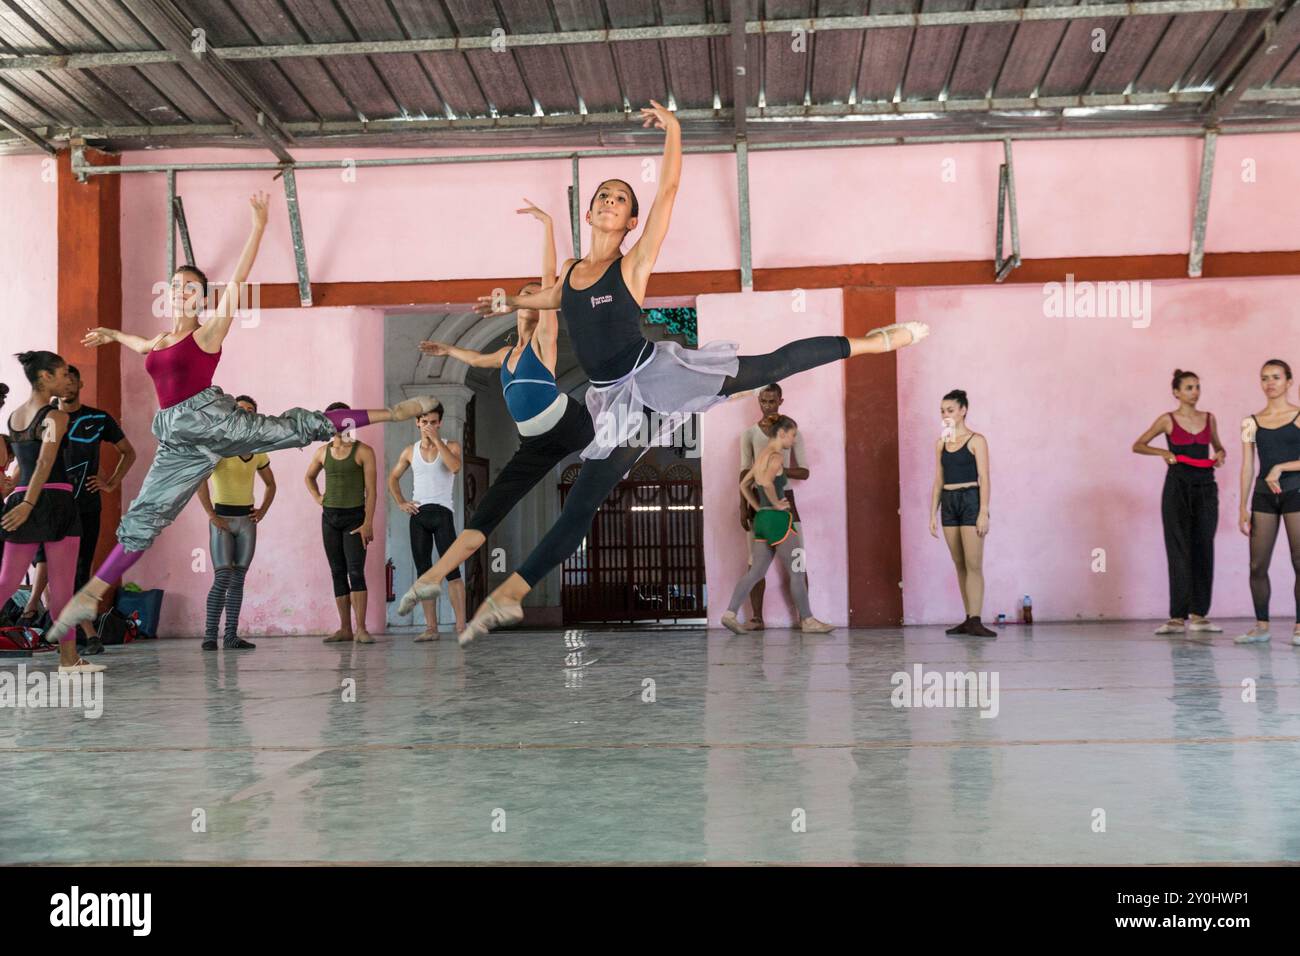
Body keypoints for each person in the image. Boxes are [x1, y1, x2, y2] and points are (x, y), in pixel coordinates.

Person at [459, 101, 928, 644]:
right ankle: (513, 592)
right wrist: (509, 301)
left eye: (621, 198)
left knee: (768, 366)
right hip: (616, 401)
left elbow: (670, 192)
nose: (610, 201)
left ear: (630, 221)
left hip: (658, 375)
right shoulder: (571, 272)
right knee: (586, 495)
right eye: (602, 196)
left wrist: (676, 131)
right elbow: (554, 295)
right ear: (587, 215)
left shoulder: (630, 264)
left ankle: (868, 342)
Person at [44, 192, 437, 645]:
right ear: (169, 293)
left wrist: (257, 227)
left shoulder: (208, 332)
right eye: (177, 286)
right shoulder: (160, 340)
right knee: (144, 515)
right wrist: (113, 334)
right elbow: (141, 346)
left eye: (192, 288)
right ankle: (92, 593)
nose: (183, 292)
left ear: (201, 298)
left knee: (295, 427)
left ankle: (393, 412)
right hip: (179, 442)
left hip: (216, 423)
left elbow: (236, 281)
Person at [398, 200, 595, 636]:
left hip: (568, 422)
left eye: (532, 301)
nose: (527, 305)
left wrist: (546, 226)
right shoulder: (507, 355)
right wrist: (448, 351)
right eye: (523, 302)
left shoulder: (544, 339)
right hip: (535, 444)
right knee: (484, 515)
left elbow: (548, 283)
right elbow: (475, 357)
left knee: (611, 438)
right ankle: (430, 579)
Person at [24, 363, 137, 653]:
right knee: (45, 563)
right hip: (49, 504)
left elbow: (128, 452)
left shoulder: (98, 418)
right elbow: (30, 461)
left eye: (74, 380)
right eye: (65, 380)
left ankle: (80, 634)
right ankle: (44, 614)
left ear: (81, 384)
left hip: (86, 505)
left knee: (80, 569)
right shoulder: (44, 418)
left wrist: (110, 483)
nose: (69, 385)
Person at [0, 352, 100, 672]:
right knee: (61, 585)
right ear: (44, 377)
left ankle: (70, 657)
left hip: (22, 499)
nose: (67, 381)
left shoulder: (14, 416)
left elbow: (21, 468)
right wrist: (29, 503)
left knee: (6, 581)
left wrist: (18, 496)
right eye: (61, 375)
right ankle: (68, 659)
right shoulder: (56, 417)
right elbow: (44, 462)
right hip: (54, 501)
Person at [1132, 369, 1225, 637]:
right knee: (1178, 548)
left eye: (1197, 387)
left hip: (1206, 487)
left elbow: (1219, 448)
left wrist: (1219, 454)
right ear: (1176, 392)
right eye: (1188, 388)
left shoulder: (1209, 418)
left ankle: (1199, 615)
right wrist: (1163, 452)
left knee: (1204, 546)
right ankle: (1176, 617)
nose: (1194, 392)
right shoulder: (1167, 420)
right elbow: (1138, 445)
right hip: (1177, 487)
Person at [721, 415, 832, 634]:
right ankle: (808, 620)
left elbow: (744, 484)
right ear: (781, 433)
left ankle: (729, 614)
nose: (793, 440)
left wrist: (758, 506)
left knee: (755, 573)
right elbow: (765, 482)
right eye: (792, 435)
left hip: (762, 521)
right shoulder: (775, 456)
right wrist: (775, 504)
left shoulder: (761, 456)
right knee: (798, 570)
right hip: (778, 520)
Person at [195, 395, 273, 650]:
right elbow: (200, 480)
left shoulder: (259, 450)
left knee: (238, 578)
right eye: (240, 410)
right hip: (222, 519)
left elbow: (271, 484)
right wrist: (211, 514)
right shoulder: (218, 446)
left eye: (250, 410)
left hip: (247, 521)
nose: (245, 413)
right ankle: (209, 635)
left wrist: (262, 511)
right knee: (222, 577)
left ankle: (230, 636)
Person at [1236, 359, 1300, 645]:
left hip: (1295, 493)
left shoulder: (1299, 416)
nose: (1270, 383)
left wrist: (1281, 467)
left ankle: (1299, 627)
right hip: (1263, 497)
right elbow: (1248, 466)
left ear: (1289, 381)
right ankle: (1262, 626)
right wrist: (1242, 507)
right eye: (1264, 378)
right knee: (1257, 565)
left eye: (1276, 377)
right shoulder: (1250, 422)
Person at [388, 405, 466, 636]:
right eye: (424, 422)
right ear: (417, 423)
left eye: (433, 422)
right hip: (419, 515)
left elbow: (455, 467)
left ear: (439, 423)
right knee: (424, 573)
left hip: (442, 514)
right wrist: (401, 501)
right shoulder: (409, 451)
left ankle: (461, 626)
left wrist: (438, 442)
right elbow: (392, 478)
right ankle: (431, 627)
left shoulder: (451, 445)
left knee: (452, 571)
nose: (428, 426)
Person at [738, 384, 809, 631]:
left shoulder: (791, 433)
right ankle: (757, 617)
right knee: (755, 562)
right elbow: (744, 471)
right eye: (763, 401)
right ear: (759, 400)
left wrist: (776, 469)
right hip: (759, 502)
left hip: (786, 499)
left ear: (781, 401)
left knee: (797, 560)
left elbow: (805, 471)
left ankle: (805, 616)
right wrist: (742, 505)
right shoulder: (749, 434)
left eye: (772, 401)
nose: (767, 406)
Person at [305, 402, 377, 644]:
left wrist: (368, 523)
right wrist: (317, 497)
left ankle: (362, 629)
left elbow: (372, 491)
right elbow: (309, 477)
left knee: (355, 571)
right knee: (337, 572)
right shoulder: (322, 452)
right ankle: (345, 628)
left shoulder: (364, 451)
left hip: (354, 518)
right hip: (330, 518)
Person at [929, 390, 995, 637]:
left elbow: (984, 478)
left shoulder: (977, 440)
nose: (945, 414)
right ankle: (968, 618)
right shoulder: (941, 443)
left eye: (950, 410)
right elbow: (938, 480)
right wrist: (931, 514)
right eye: (942, 411)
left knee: (973, 563)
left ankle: (976, 619)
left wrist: (983, 511)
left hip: (970, 499)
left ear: (963, 410)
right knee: (959, 563)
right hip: (949, 500)